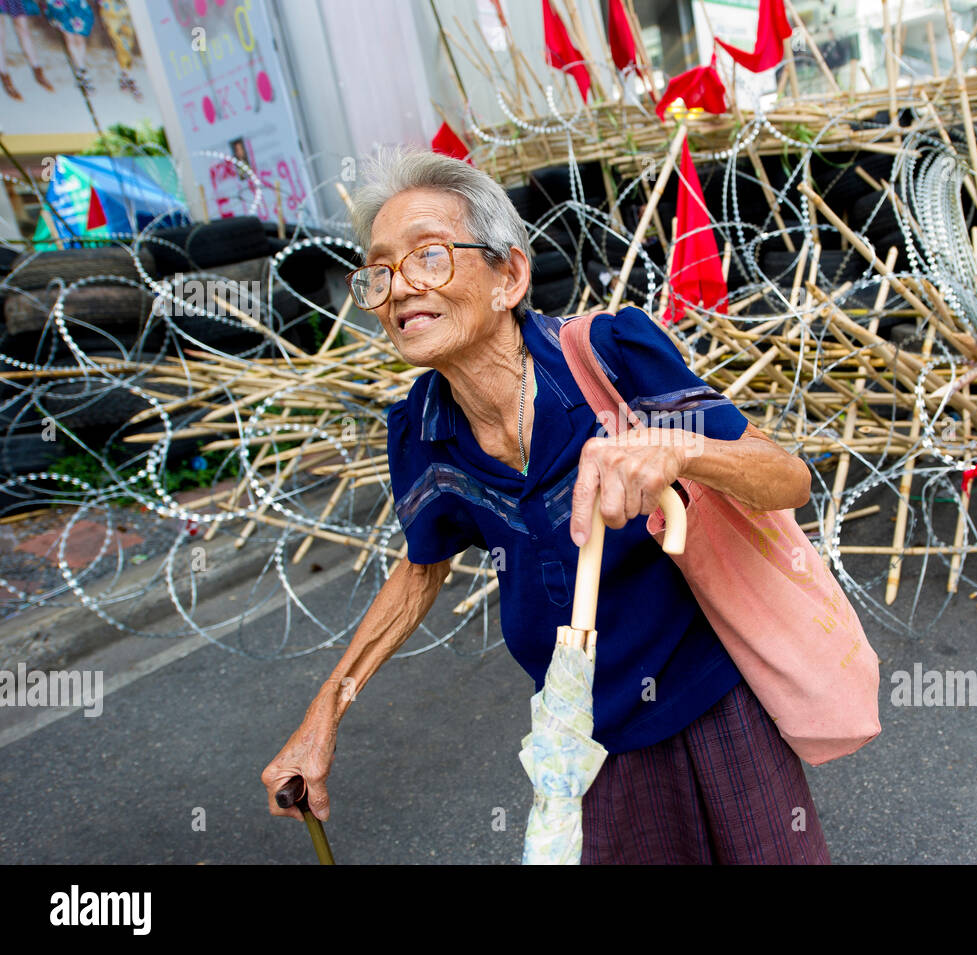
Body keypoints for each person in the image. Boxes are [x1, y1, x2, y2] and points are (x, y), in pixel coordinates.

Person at [259, 146, 833, 864]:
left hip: (711, 704)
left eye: (428, 256)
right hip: (586, 739)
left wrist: (680, 452)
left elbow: (787, 476)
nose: (400, 286)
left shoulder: (610, 357)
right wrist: (324, 715)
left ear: (510, 275)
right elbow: (420, 572)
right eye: (380, 271)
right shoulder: (424, 430)